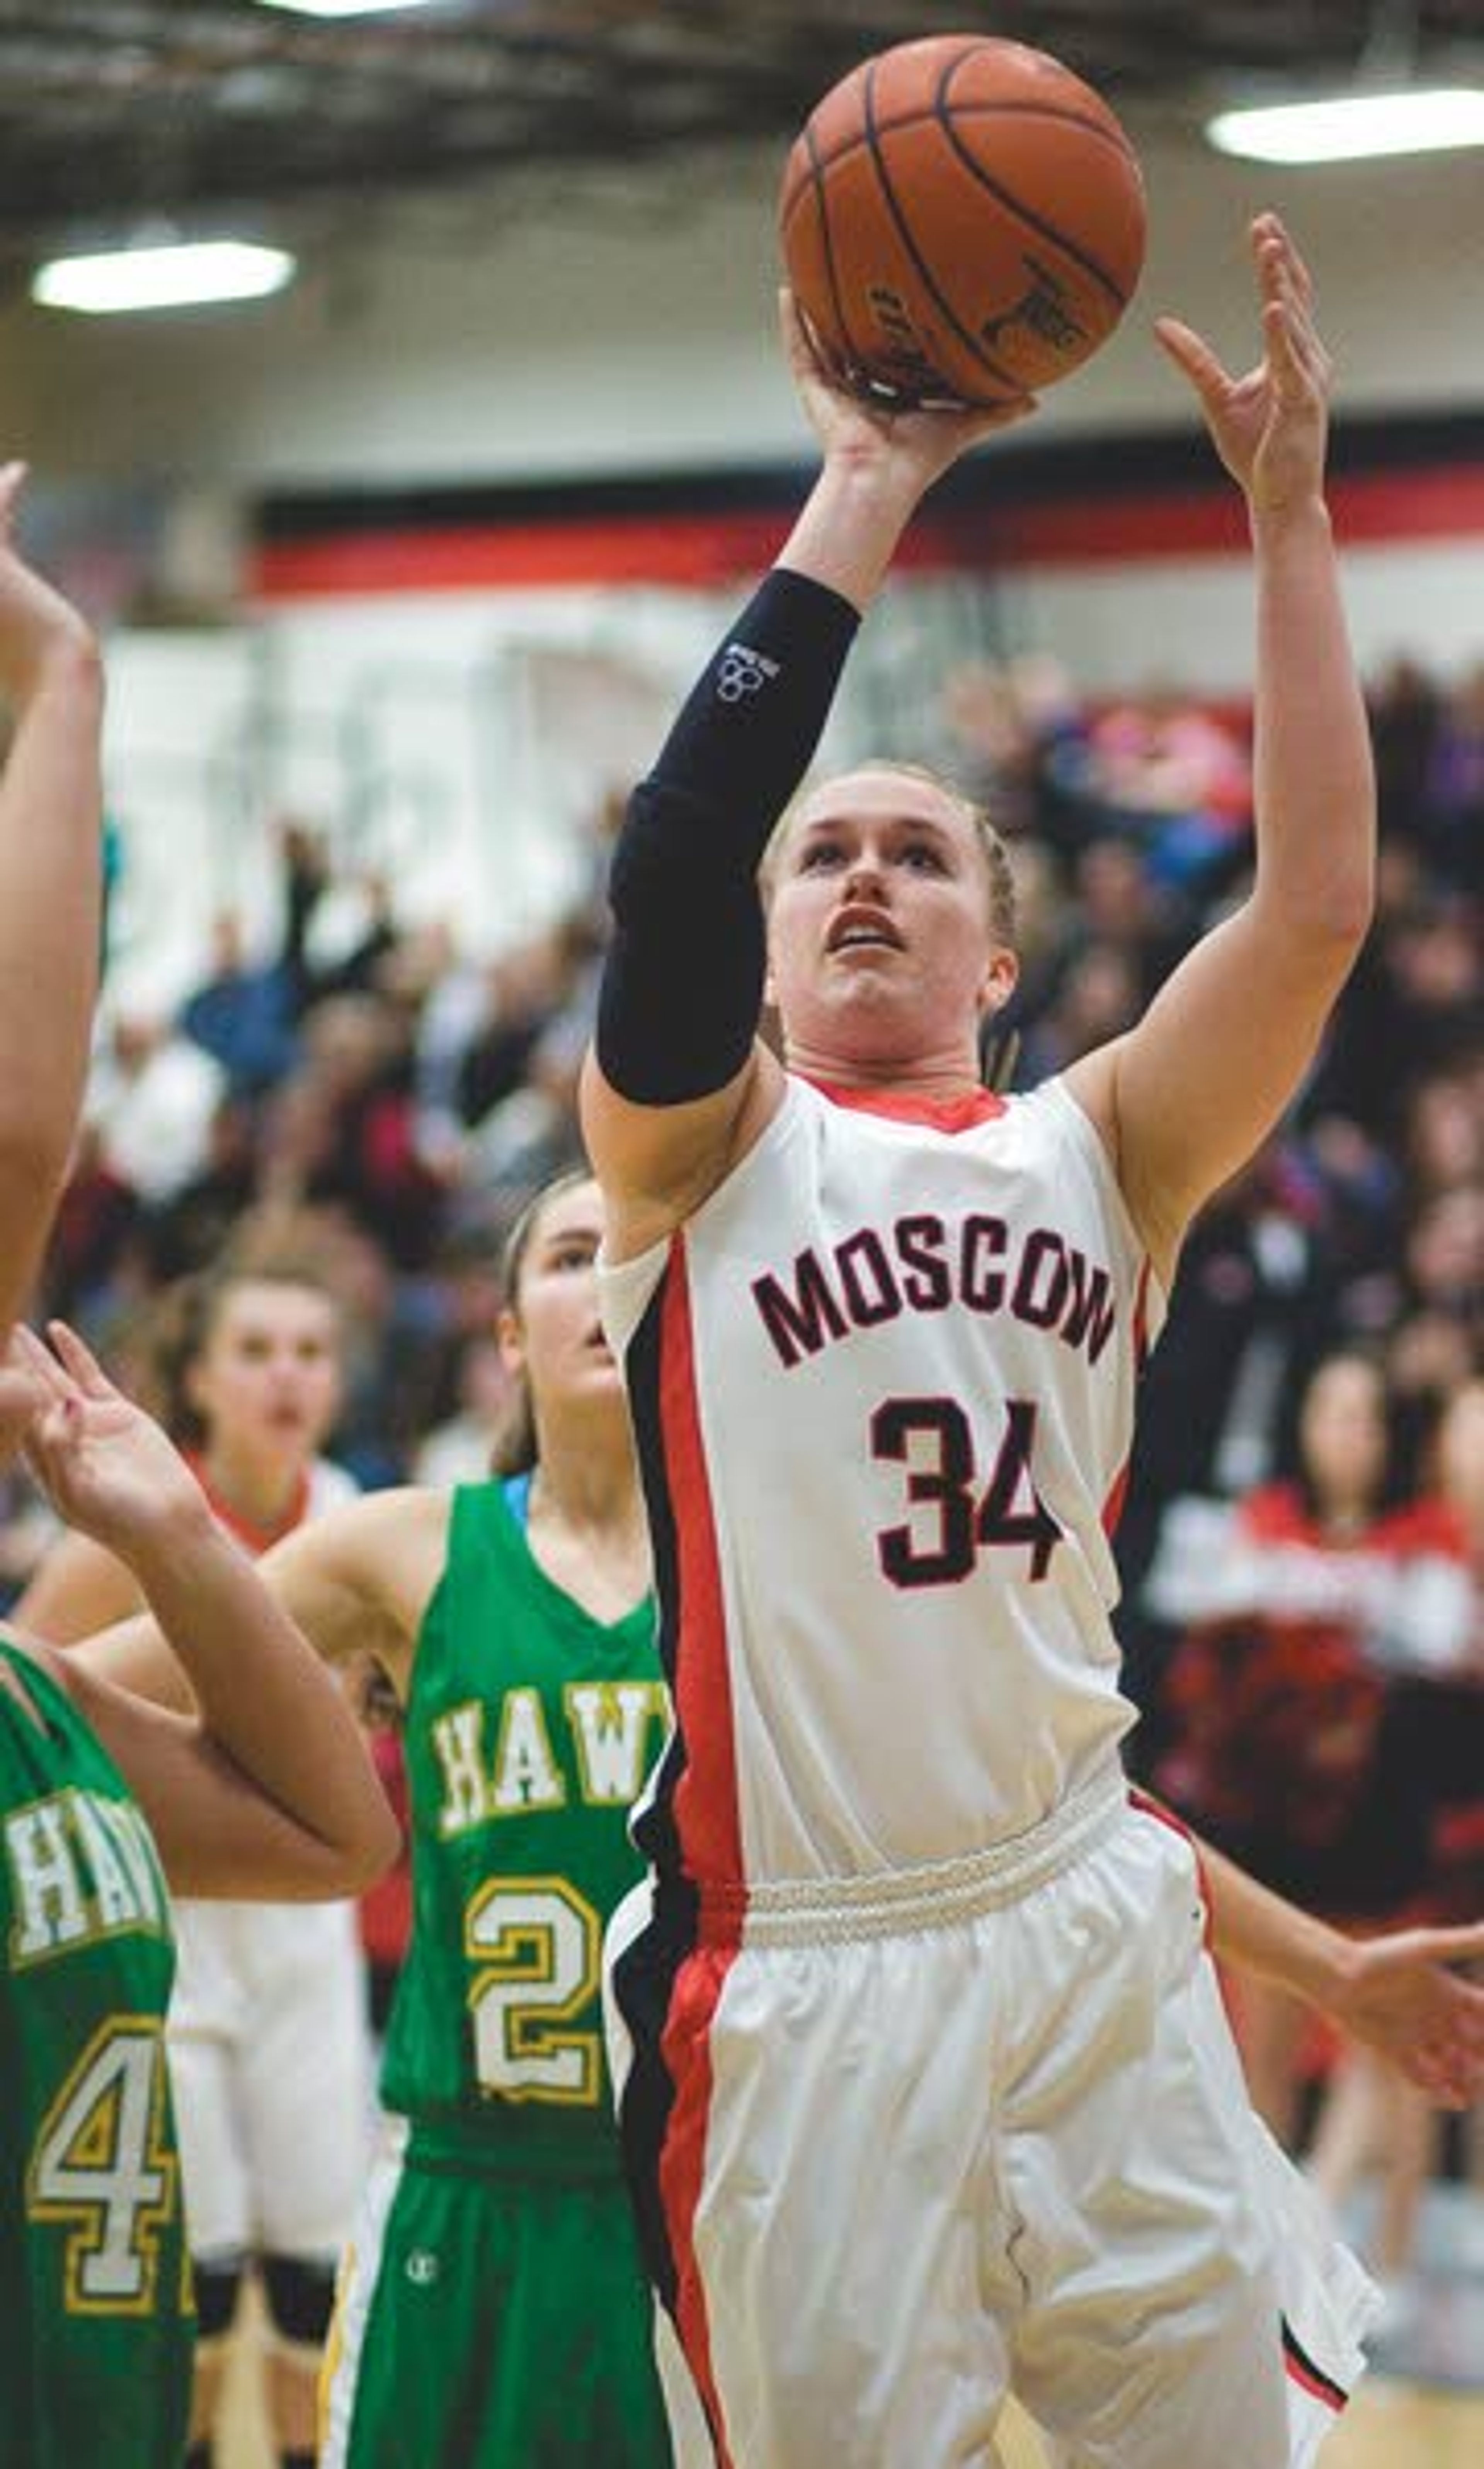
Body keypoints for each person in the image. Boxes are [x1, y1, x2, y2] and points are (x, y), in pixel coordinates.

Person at [580, 216, 1390, 2468]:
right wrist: (871, 478)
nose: (858, 875)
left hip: (1077, 1911)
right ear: (762, 958)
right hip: (803, 1969)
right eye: (823, 851)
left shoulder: (1103, 1151)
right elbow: (668, 871)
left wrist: (1295, 524)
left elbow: (1317, 905)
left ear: (1003, 964)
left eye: (920, 857)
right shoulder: (694, 1161)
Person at [78, 1171, 689, 2467]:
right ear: (510, 1332)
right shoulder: (396, 1551)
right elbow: (81, 1697)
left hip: (694, 2194)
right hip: (460, 2185)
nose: (607, 1284)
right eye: (573, 1255)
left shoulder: (767, 1569)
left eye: (639, 1256)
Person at [15, 1258, 374, 2469]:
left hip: (309, 1942)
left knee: (321, 2297)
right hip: (175, 1935)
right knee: (198, 2296)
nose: (287, 1377)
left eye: (311, 1352)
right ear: (203, 1382)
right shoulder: (125, 1527)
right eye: (258, 1350)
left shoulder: (361, 1516)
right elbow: (40, 1733)